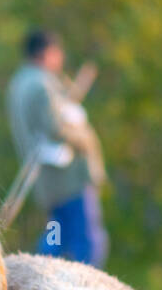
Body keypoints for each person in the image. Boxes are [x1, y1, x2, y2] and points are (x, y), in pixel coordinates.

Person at [6, 29, 107, 267]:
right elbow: (56, 127)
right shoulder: (41, 84)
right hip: (68, 176)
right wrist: (86, 139)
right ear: (47, 52)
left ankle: (36, 285)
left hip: (48, 180)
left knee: (56, 238)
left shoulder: (20, 82)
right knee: (89, 242)